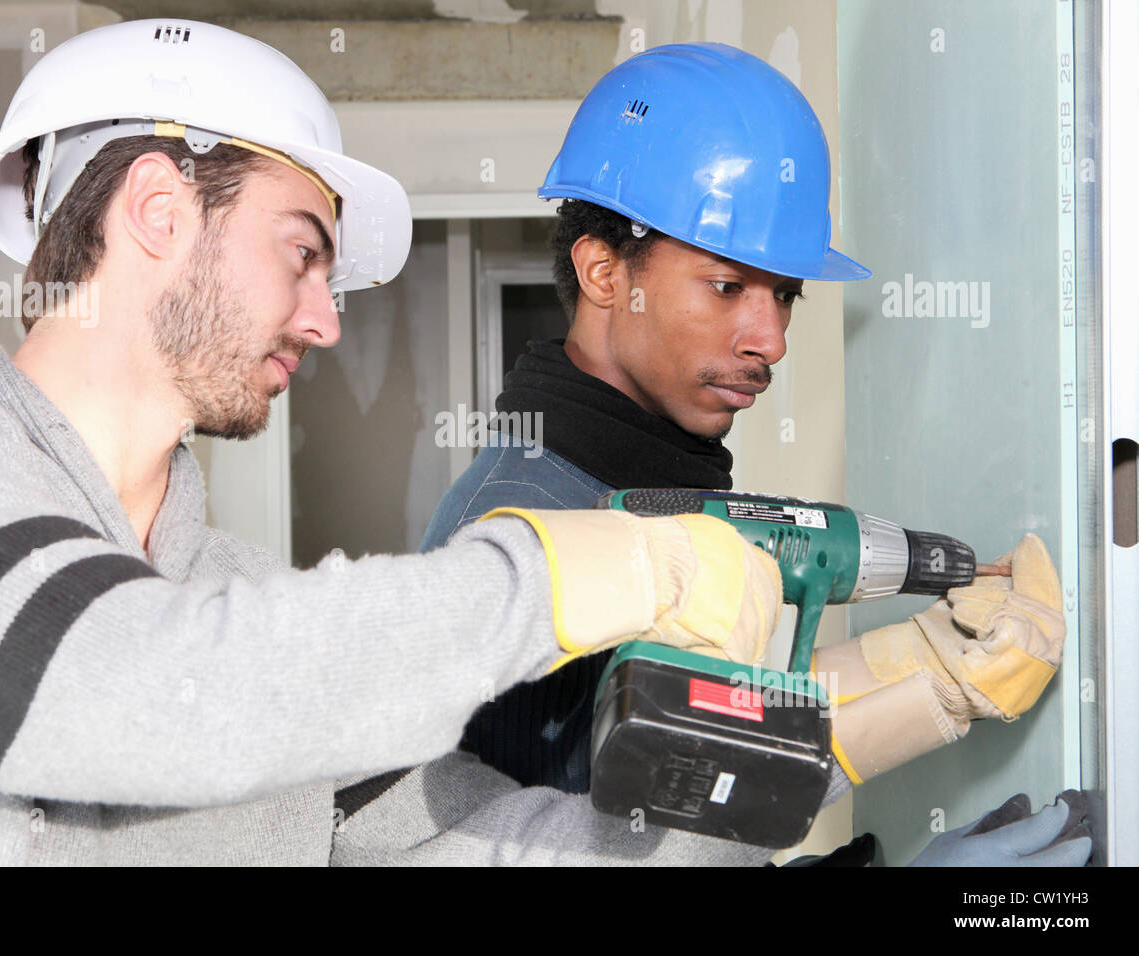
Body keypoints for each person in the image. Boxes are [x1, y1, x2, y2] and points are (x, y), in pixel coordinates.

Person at [0, 20, 791, 866]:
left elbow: (530, 851)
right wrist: (563, 575)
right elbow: (141, 684)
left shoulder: (241, 602)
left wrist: (842, 723)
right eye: (302, 253)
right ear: (159, 211)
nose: (325, 323)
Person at [421, 43, 1082, 864]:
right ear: (602, 272)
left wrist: (922, 672)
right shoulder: (537, 531)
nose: (769, 340)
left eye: (786, 295)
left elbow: (659, 777)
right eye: (728, 286)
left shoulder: (624, 487)